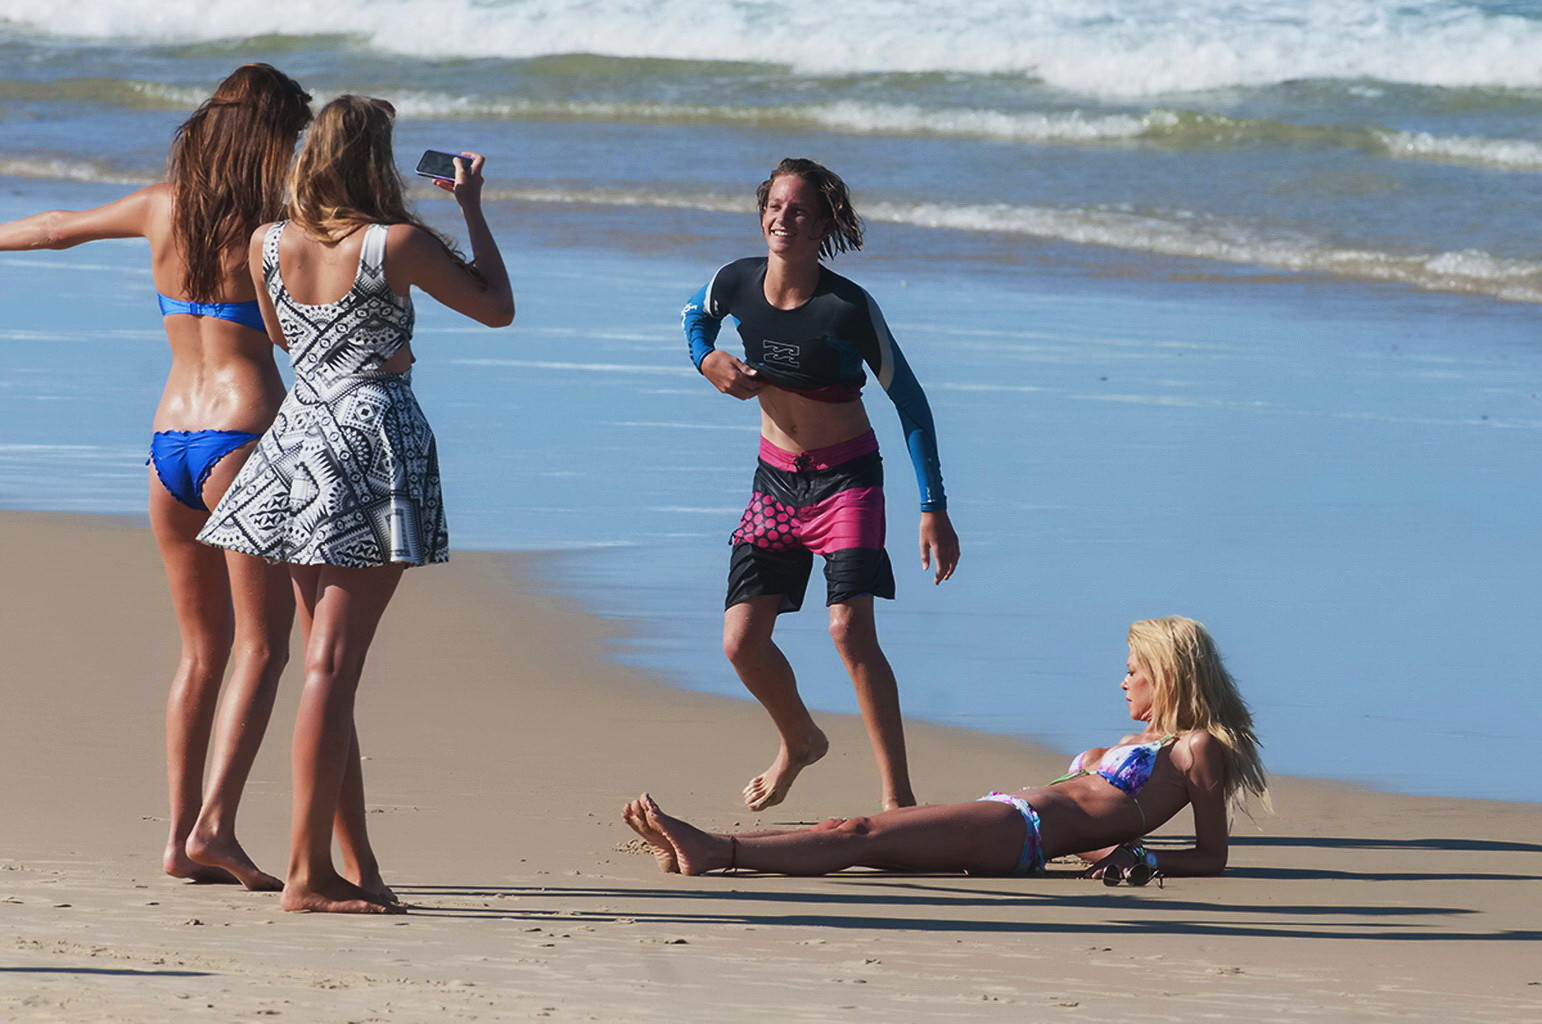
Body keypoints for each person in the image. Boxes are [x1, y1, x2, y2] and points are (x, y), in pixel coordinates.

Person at [0, 64, 317, 890]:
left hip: (167, 444)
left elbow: (56, 227)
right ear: (273, 138)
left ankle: (179, 840)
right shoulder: (275, 227)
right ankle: (216, 826)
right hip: (242, 438)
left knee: (200, 652)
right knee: (263, 646)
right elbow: (293, 337)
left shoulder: (159, 206)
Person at [198, 95, 514, 914]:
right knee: (332, 669)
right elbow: (496, 307)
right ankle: (307, 876)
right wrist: (472, 210)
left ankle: (355, 863)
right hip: (371, 434)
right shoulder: (396, 243)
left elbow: (277, 334)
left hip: (298, 434)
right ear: (376, 158)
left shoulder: (267, 240)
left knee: (321, 671)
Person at [681, 158, 960, 813]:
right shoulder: (735, 282)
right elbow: (694, 319)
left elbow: (912, 403)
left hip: (846, 484)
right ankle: (799, 740)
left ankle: (899, 801)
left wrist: (933, 507)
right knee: (741, 642)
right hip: (773, 486)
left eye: (798, 209)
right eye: (774, 205)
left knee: (848, 630)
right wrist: (707, 359)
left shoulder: (847, 308)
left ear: (824, 223)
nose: (782, 217)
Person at [624, 616, 1267, 880]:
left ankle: (716, 850)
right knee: (853, 831)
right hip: (1017, 823)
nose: (1123, 680)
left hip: (1024, 830)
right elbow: (1098, 828)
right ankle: (714, 847)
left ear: (1170, 674)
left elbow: (1213, 856)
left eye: (1135, 669)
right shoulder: (1135, 742)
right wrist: (1111, 849)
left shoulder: (1196, 749)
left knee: (859, 832)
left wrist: (1148, 859)